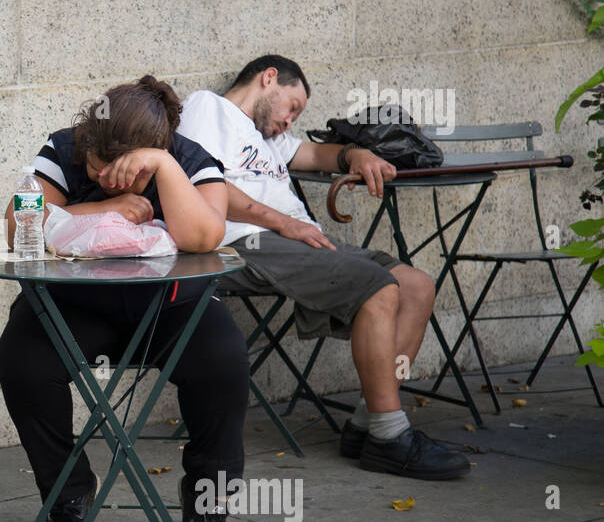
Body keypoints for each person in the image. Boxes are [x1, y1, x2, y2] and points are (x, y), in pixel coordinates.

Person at [0, 75, 249, 522]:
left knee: (224, 360)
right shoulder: (65, 147)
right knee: (22, 355)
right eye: (98, 168)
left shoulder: (188, 158)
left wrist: (163, 166)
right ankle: (68, 496)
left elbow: (205, 236)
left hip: (171, 310)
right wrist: (104, 206)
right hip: (79, 309)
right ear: (86, 143)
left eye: (126, 172)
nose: (109, 177)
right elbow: (15, 225)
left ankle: (206, 504)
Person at [175, 54, 469, 480]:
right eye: (292, 107)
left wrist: (356, 154)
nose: (290, 122)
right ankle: (392, 436)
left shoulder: (268, 138)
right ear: (268, 78)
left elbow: (317, 155)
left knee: (417, 285)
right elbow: (200, 185)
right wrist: (283, 223)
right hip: (244, 243)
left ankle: (368, 425)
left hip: (300, 242)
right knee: (377, 286)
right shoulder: (206, 108)